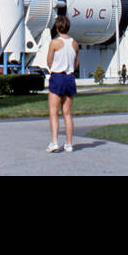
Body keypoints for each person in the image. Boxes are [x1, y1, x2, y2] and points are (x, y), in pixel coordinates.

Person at [46, 15, 80, 153]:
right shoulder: (75, 44)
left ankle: (54, 142)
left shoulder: (54, 43)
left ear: (57, 27)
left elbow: (49, 61)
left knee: (53, 112)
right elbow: (77, 63)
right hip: (69, 77)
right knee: (67, 113)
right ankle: (69, 144)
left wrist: (54, 66)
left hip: (57, 76)